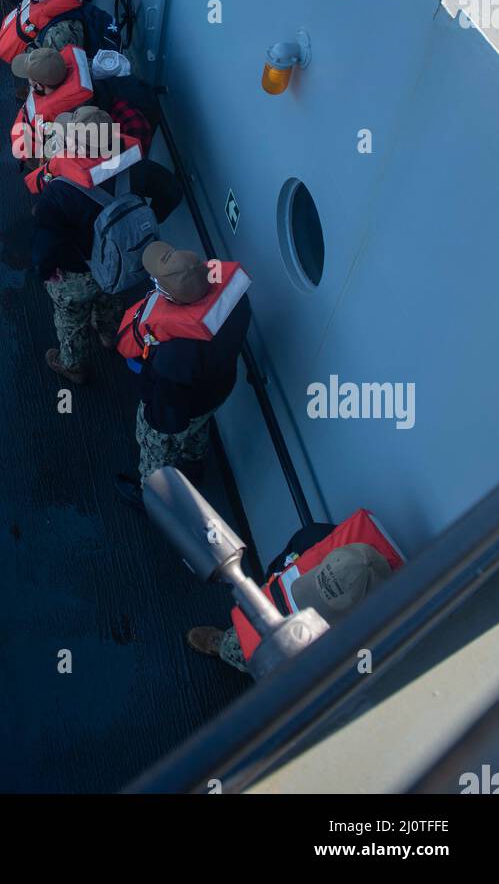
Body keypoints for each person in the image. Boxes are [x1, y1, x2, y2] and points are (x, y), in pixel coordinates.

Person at [32, 133, 183, 383]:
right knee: (111, 299)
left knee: (72, 320)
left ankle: (73, 365)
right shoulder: (135, 169)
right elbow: (172, 190)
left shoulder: (58, 191)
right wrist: (150, 220)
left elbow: (43, 248)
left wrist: (46, 272)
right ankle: (110, 334)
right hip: (123, 266)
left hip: (76, 274)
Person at [114, 246, 252, 506]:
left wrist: (152, 419)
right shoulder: (236, 301)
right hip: (217, 391)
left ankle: (151, 496)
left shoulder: (175, 354)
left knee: (155, 448)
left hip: (180, 407)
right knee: (198, 428)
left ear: (168, 295)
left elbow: (168, 413)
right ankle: (193, 464)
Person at [187, 512, 402, 674]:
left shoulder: (384, 630)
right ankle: (230, 645)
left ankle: (233, 650)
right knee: (254, 628)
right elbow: (277, 567)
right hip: (281, 608)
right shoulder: (314, 538)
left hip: (314, 658)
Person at [23, 103, 145, 196]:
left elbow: (35, 183)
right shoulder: (129, 146)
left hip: (75, 203)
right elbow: (163, 185)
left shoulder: (62, 161)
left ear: (79, 148)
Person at [9, 45, 94, 164]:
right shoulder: (60, 69)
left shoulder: (53, 110)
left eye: (29, 78)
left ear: (38, 85)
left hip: (28, 148)